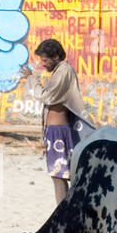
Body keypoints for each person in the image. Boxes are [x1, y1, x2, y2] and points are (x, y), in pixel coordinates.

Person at [19, 38, 97, 203]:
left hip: (58, 132)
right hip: (55, 132)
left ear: (56, 56)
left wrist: (31, 78)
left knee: (58, 175)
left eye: (45, 59)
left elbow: (47, 96)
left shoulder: (64, 71)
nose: (43, 64)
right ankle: (66, 211)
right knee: (61, 175)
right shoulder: (60, 71)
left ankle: (62, 213)